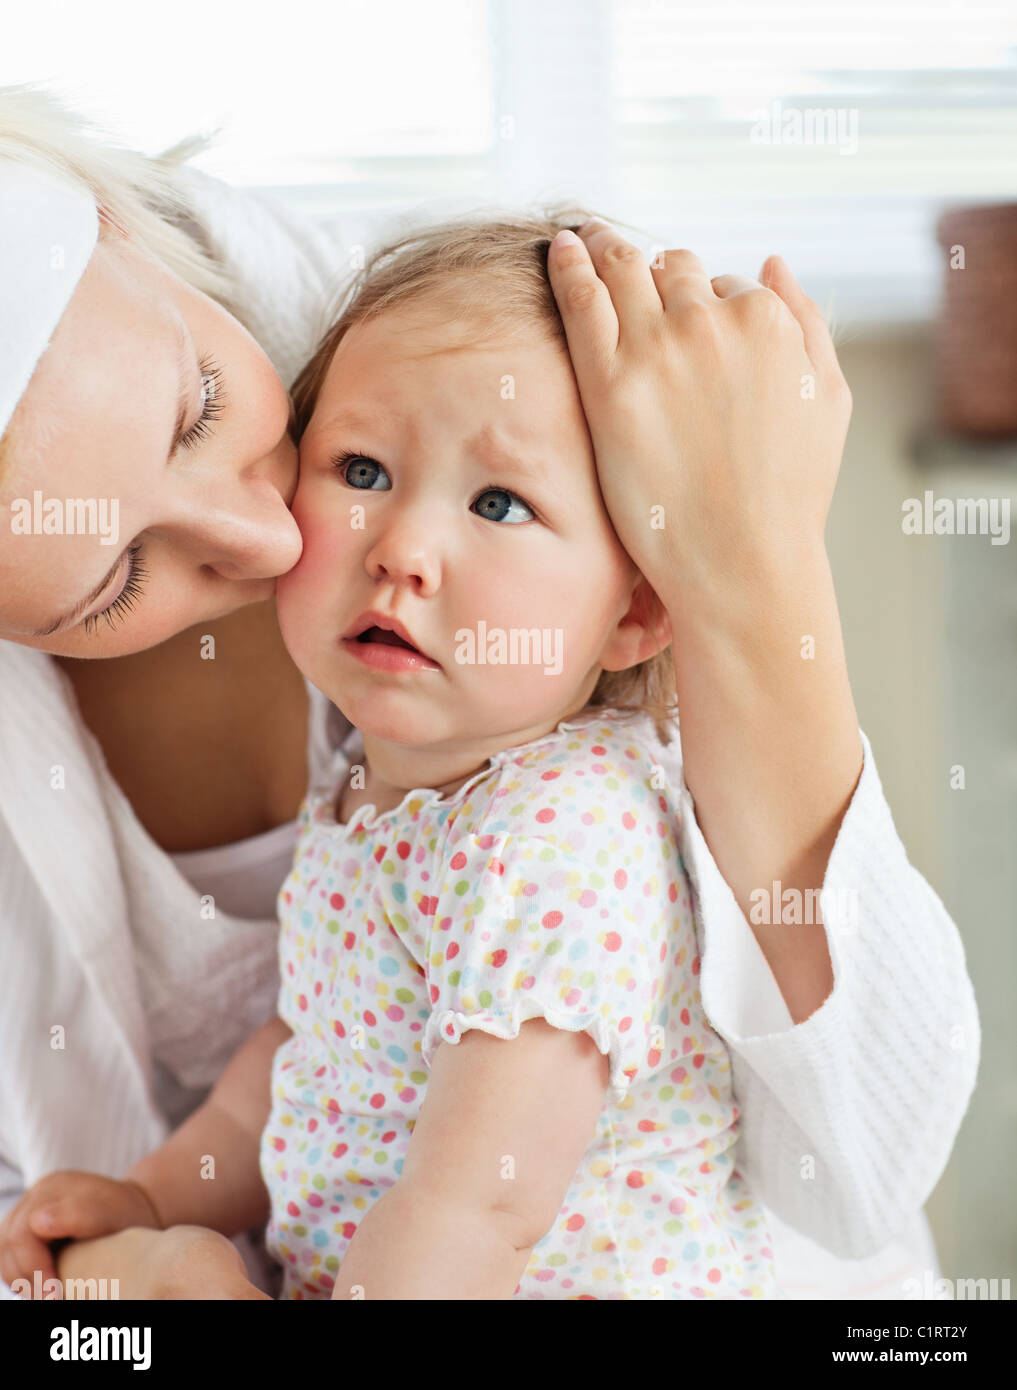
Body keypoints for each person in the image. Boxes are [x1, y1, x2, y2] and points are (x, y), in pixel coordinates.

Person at [0, 85, 977, 1299]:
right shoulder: (380, 802)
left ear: (634, 609)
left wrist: (756, 569)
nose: (265, 539)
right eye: (113, 581)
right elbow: (306, 1057)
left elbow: (482, 1199)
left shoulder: (559, 834)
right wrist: (152, 1203)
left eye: (203, 408)